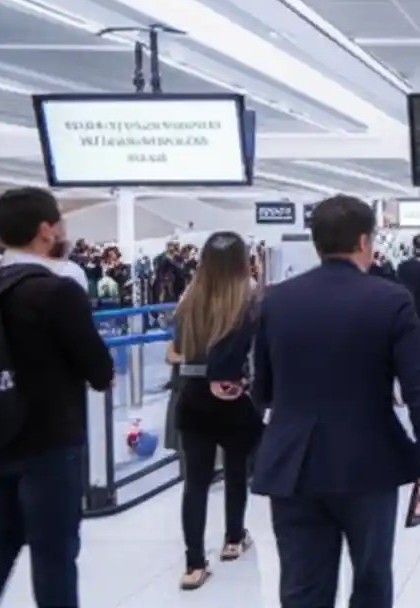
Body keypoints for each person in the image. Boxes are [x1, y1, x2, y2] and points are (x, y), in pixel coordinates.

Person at [251, 195, 420, 608]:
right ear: (364, 241)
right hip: (369, 462)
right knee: (371, 580)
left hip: (294, 464)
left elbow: (264, 389)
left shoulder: (277, 300)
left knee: (302, 586)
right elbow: (418, 388)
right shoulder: (390, 299)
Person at [0, 188, 113, 608]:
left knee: (1, 547)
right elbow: (99, 371)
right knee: (53, 557)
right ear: (46, 230)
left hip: (0, 437)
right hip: (49, 444)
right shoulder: (58, 291)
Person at [167, 232, 263, 590]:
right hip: (233, 394)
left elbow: (175, 350)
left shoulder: (189, 299)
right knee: (236, 469)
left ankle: (194, 564)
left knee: (195, 481)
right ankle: (233, 539)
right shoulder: (249, 298)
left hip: (193, 395)